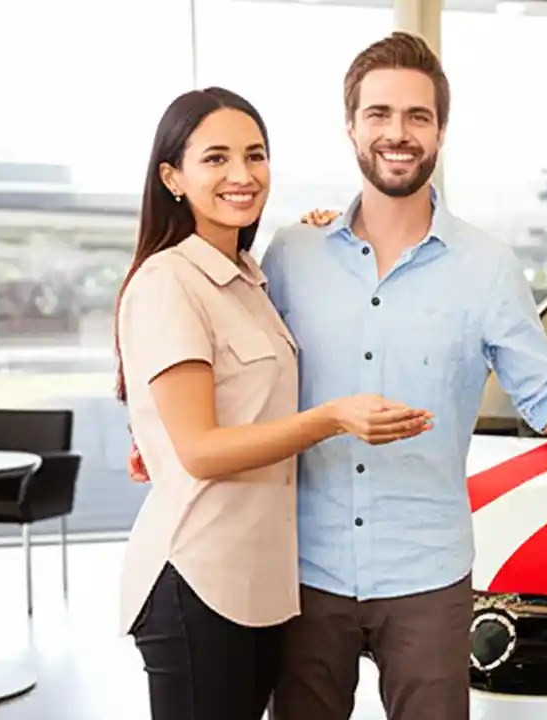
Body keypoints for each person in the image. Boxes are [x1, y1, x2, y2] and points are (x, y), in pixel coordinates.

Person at [261, 32, 547, 720]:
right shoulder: (292, 254)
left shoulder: (486, 265)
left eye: (417, 117)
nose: (397, 134)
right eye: (378, 115)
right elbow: (235, 367)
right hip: (306, 572)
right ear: (350, 126)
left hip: (427, 575)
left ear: (440, 131)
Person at [114, 87, 432, 720]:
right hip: (198, 578)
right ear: (172, 176)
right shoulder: (168, 282)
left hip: (259, 583)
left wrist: (319, 240)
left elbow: (243, 406)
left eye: (255, 156)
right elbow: (201, 450)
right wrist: (334, 418)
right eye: (216, 159)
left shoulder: (249, 281)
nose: (242, 175)